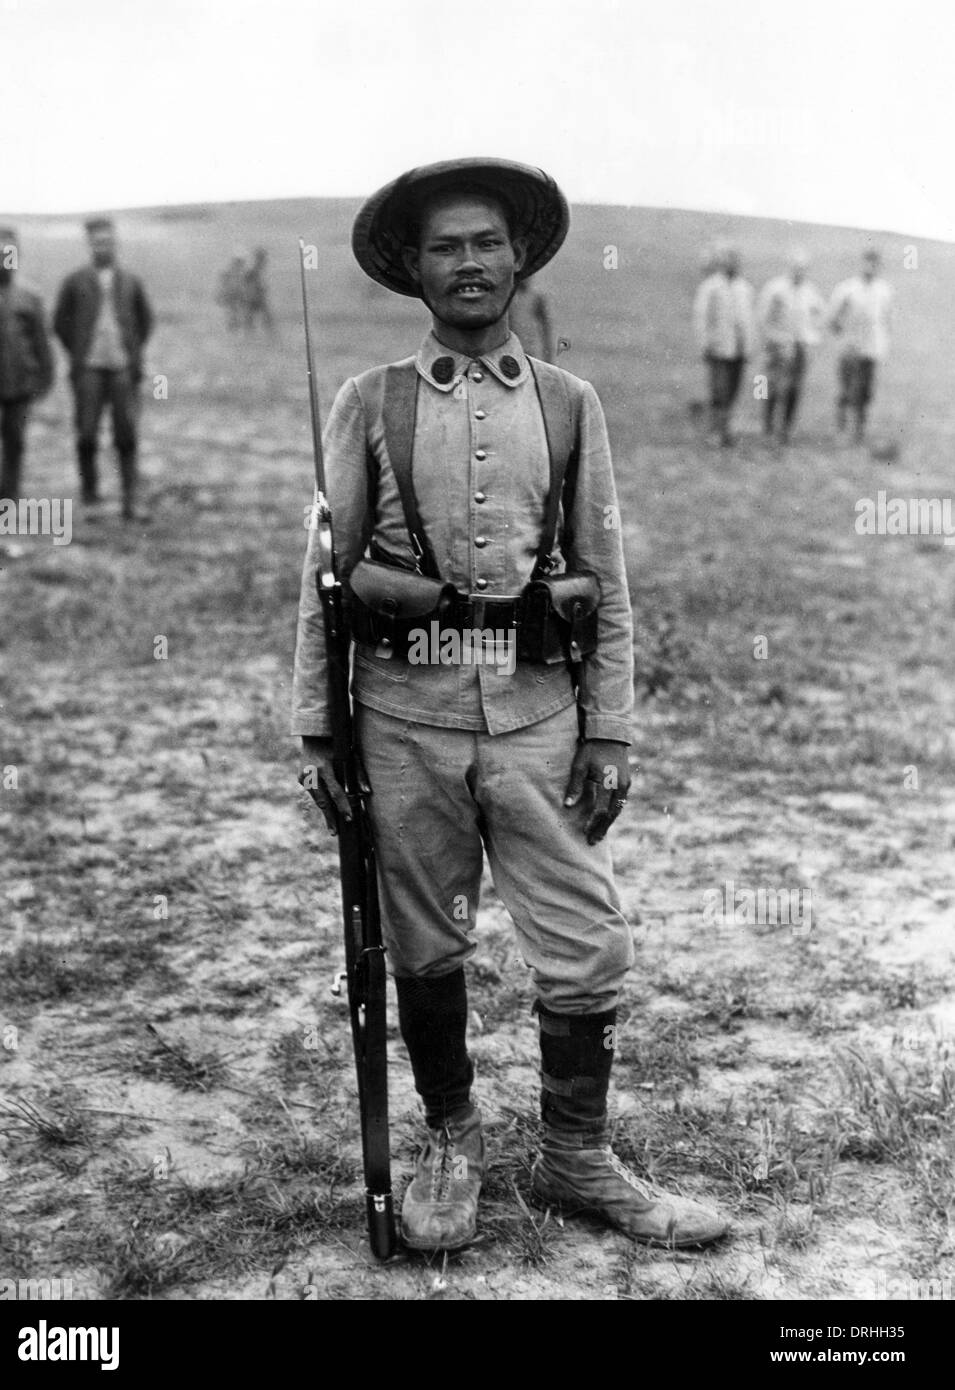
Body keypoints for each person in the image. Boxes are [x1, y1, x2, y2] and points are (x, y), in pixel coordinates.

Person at [293, 157, 729, 1253]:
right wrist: (317, 733)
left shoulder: (571, 404)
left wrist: (613, 730)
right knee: (425, 942)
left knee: (589, 942)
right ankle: (451, 1139)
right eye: (447, 246)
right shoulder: (368, 401)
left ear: (519, 258)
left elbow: (608, 575)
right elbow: (327, 577)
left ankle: (579, 1156)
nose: (471, 263)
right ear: (414, 268)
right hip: (404, 725)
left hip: (541, 722)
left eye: (488, 242)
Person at [53, 217, 153, 520]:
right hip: (89, 370)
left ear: (115, 243)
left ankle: (129, 499)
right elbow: (60, 323)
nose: (103, 247)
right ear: (90, 245)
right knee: (86, 433)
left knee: (126, 434)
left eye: (108, 241)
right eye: (97, 242)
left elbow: (144, 321)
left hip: (123, 370)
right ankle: (90, 493)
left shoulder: (130, 281)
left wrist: (131, 351)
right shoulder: (75, 281)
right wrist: (80, 351)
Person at [0, 226, 54, 503]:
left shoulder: (30, 295)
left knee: (14, 444)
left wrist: (45, 378)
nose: (2, 260)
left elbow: (41, 342)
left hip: (19, 383)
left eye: (8, 254)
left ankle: (7, 503)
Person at [756, 250, 825, 443]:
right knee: (770, 386)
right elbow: (763, 318)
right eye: (795, 267)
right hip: (777, 345)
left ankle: (786, 429)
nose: (799, 272)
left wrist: (811, 337)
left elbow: (820, 315)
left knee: (794, 388)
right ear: (789, 267)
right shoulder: (775, 288)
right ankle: (767, 426)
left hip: (800, 346)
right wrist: (774, 339)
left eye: (803, 268)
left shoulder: (810, 291)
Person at [827, 248, 893, 443]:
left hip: (871, 350)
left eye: (874, 264)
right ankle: (841, 428)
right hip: (850, 349)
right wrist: (844, 335)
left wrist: (883, 345)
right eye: (867, 262)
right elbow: (833, 318)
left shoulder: (884, 291)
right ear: (861, 263)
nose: (870, 268)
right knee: (846, 389)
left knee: (865, 392)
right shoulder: (847, 289)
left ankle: (859, 431)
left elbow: (887, 321)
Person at [692, 240, 754, 446]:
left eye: (735, 259)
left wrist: (749, 346)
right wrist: (705, 344)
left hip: (739, 349)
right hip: (718, 349)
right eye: (728, 258)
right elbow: (701, 317)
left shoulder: (744, 287)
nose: (732, 263)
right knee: (719, 391)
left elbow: (748, 320)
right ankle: (714, 433)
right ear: (721, 261)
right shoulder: (710, 287)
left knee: (733, 392)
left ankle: (726, 431)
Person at [508, 274, 555, 362]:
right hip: (513, 347)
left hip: (531, 347)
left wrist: (548, 354)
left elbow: (546, 327)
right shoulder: (509, 297)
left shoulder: (536, 297)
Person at [242, 247, 274, 333]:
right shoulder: (253, 270)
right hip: (254, 297)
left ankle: (268, 333)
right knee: (251, 318)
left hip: (259, 297)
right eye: (262, 259)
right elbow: (248, 283)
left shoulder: (259, 269)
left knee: (264, 317)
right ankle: (249, 334)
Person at [217, 251, 248, 329]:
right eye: (238, 262)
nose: (239, 264)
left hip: (238, 295)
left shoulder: (243, 273)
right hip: (231, 294)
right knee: (232, 311)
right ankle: (232, 324)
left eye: (240, 262)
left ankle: (234, 324)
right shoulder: (228, 272)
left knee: (236, 311)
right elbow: (223, 284)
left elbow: (244, 285)